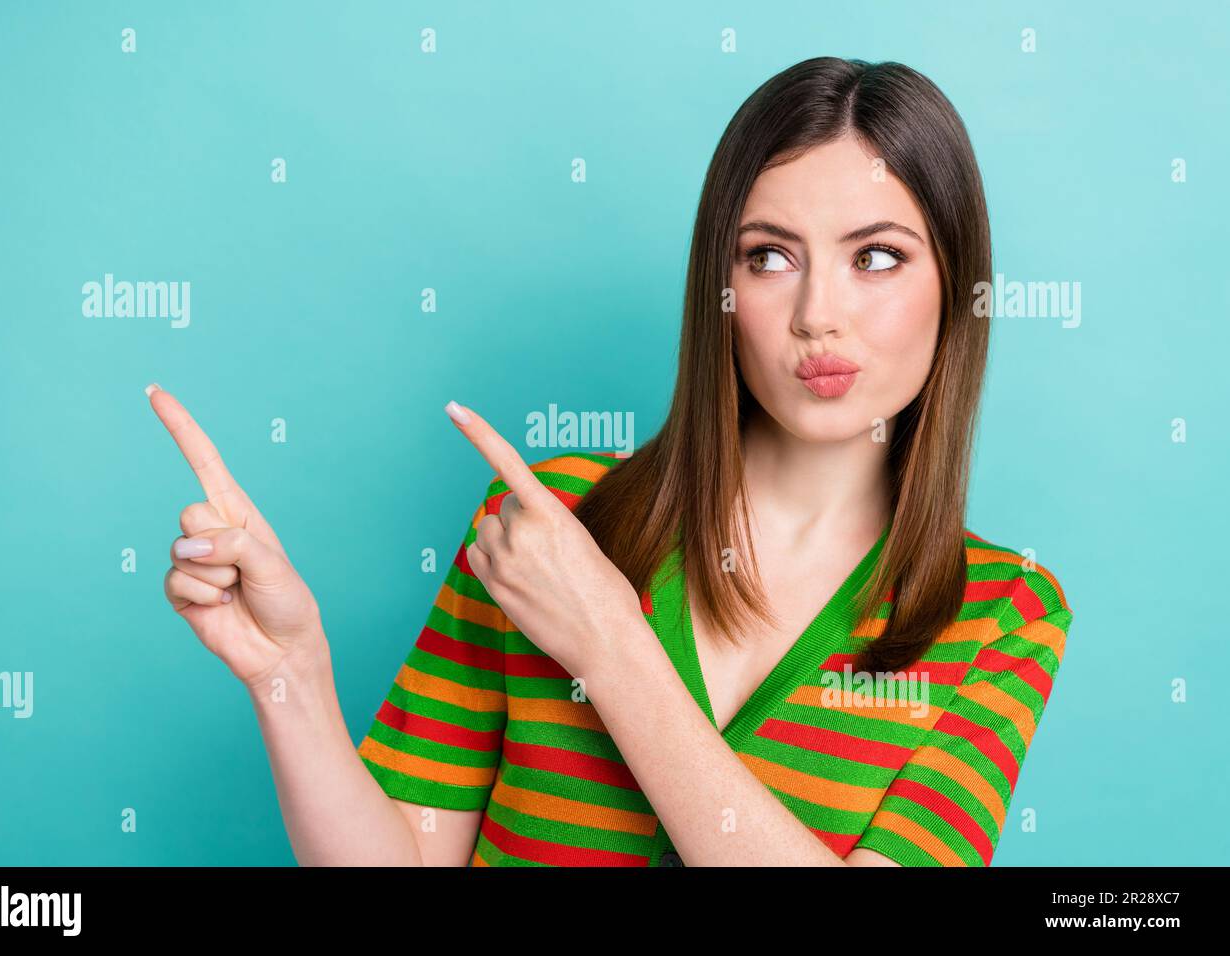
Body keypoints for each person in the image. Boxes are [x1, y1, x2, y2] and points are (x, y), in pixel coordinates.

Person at [150, 56, 1072, 866]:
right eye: (769, 257)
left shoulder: (1004, 615)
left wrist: (609, 643)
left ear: (958, 288)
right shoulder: (545, 525)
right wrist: (292, 675)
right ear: (720, 288)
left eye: (877, 256)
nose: (816, 314)